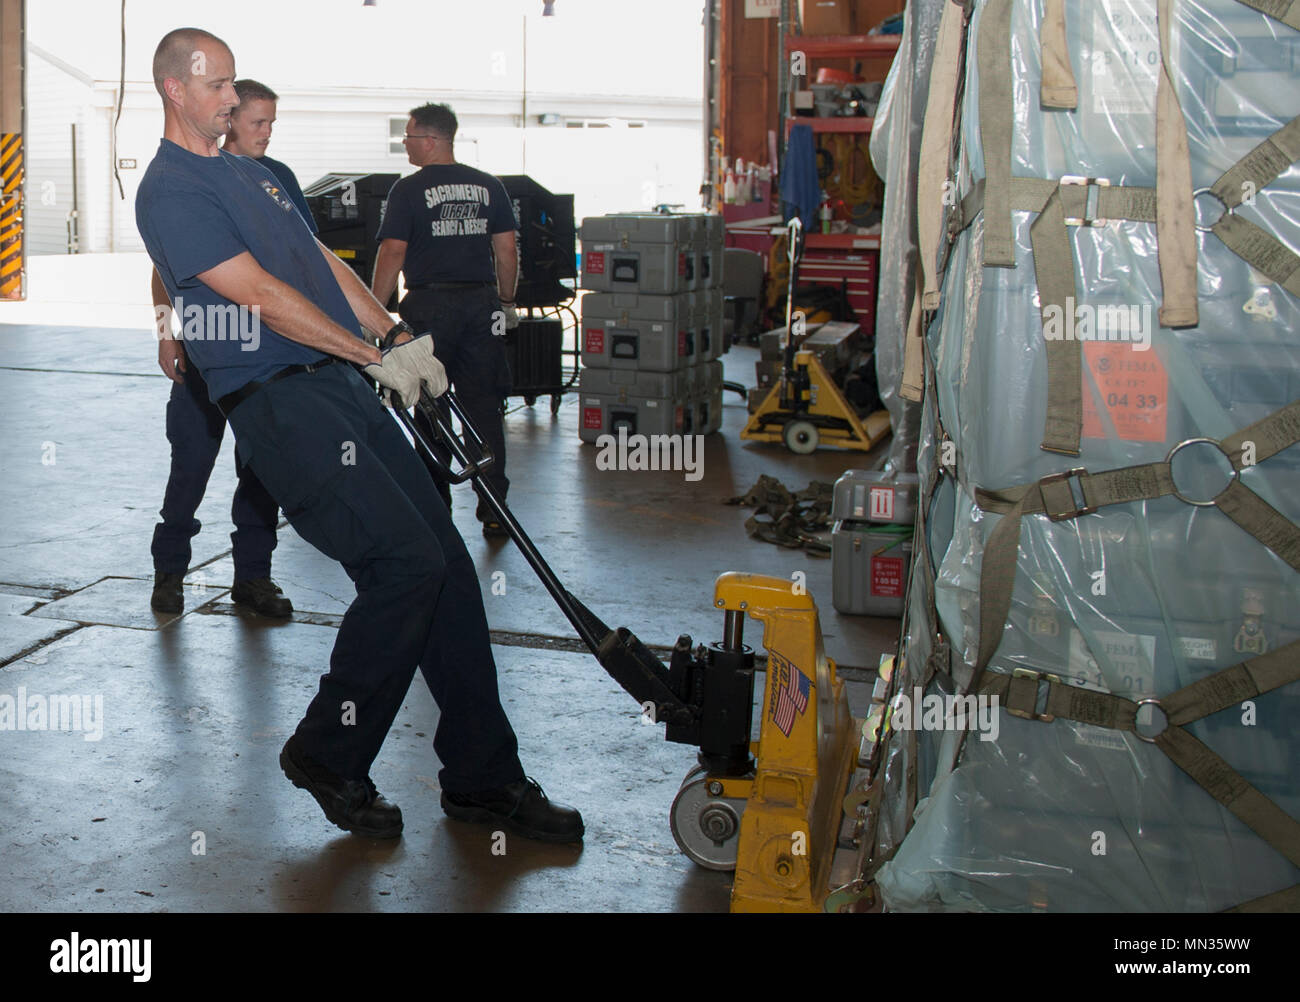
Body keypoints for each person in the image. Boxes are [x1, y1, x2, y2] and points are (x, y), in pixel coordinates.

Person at [135, 27, 583, 844]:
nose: (233, 100)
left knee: (445, 562)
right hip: (277, 402)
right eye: (219, 87)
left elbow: (319, 267)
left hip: (338, 386)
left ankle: (485, 780)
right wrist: (369, 356)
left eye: (236, 86)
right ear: (176, 89)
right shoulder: (170, 190)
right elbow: (262, 296)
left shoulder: (257, 175)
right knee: (403, 566)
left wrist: (393, 336)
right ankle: (327, 751)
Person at [148, 77, 315, 618]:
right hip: (205, 349)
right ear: (231, 119)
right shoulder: (192, 179)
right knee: (191, 466)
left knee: (261, 471)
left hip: (264, 357)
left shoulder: (278, 180)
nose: (267, 132)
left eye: (272, 122)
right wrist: (166, 331)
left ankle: (253, 578)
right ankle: (170, 572)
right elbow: (162, 268)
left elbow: (305, 260)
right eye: (258, 122)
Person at [371, 102, 518, 538]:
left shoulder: (408, 190)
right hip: (482, 306)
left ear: (431, 141)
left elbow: (392, 252)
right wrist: (507, 302)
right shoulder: (489, 186)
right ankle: (494, 510)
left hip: (430, 307)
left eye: (409, 137)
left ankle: (437, 505)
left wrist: (375, 314)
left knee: (431, 404)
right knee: (484, 406)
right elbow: (506, 250)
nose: (405, 145)